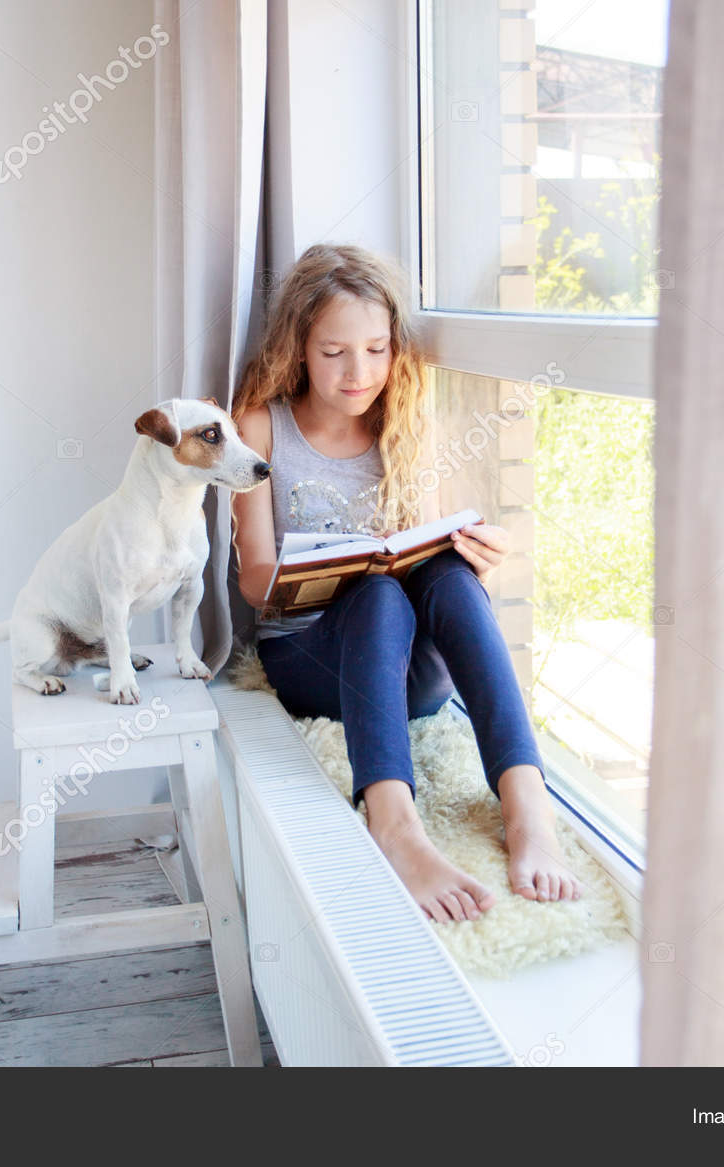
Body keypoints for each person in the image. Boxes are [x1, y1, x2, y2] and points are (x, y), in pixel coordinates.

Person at [229, 243, 582, 924]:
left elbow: (419, 556)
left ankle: (525, 801)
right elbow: (252, 583)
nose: (358, 372)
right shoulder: (261, 428)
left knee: (442, 575)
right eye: (334, 352)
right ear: (300, 348)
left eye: (376, 349)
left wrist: (472, 554)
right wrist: (330, 573)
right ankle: (394, 823)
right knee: (375, 591)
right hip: (308, 657)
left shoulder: (403, 425)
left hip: (404, 672)